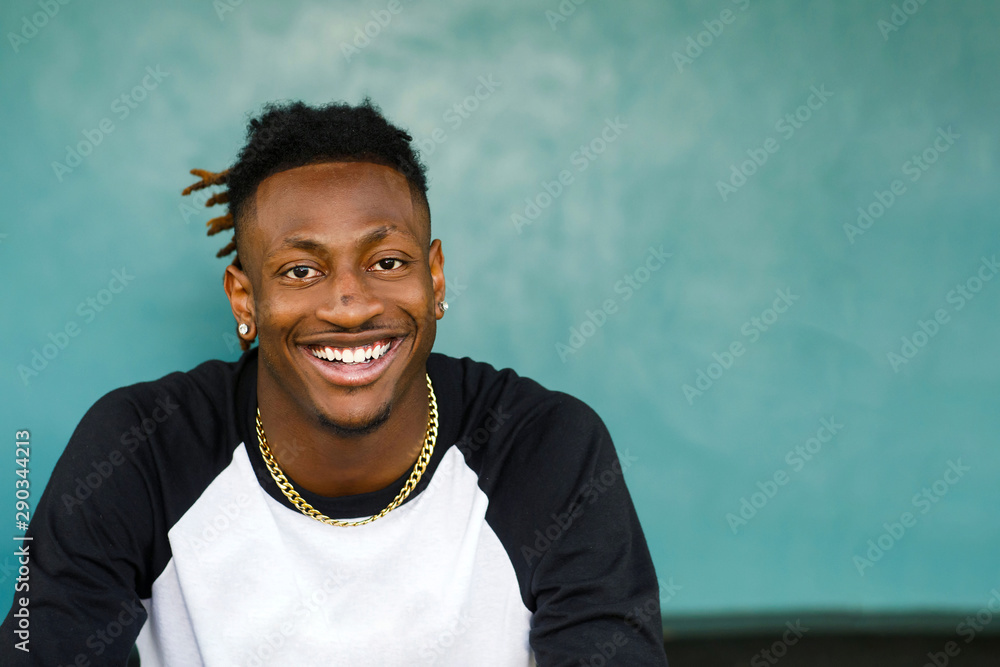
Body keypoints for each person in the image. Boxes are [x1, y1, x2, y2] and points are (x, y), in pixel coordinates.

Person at [1, 99, 669, 666]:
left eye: (386, 260)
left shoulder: (546, 450)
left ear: (434, 280)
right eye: (300, 270)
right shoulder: (140, 449)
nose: (350, 305)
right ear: (244, 298)